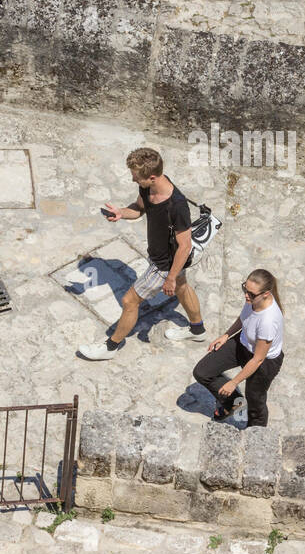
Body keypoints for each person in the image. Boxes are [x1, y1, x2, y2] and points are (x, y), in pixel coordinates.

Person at [78, 147, 206, 360]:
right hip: (160, 255)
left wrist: (170, 278)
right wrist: (121, 213)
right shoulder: (149, 189)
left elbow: (185, 247)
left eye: (136, 178)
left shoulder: (177, 206)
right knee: (183, 287)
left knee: (130, 301)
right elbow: (139, 208)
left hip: (165, 264)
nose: (133, 180)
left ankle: (110, 347)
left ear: (153, 177)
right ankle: (198, 330)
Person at [192, 269, 284, 427]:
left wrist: (233, 382)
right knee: (202, 372)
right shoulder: (254, 299)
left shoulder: (269, 320)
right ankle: (233, 402)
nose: (246, 296)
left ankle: (256, 435)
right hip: (242, 344)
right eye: (245, 289)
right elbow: (244, 318)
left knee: (255, 402)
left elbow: (258, 359)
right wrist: (226, 335)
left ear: (266, 294)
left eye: (251, 294)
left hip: (263, 362)